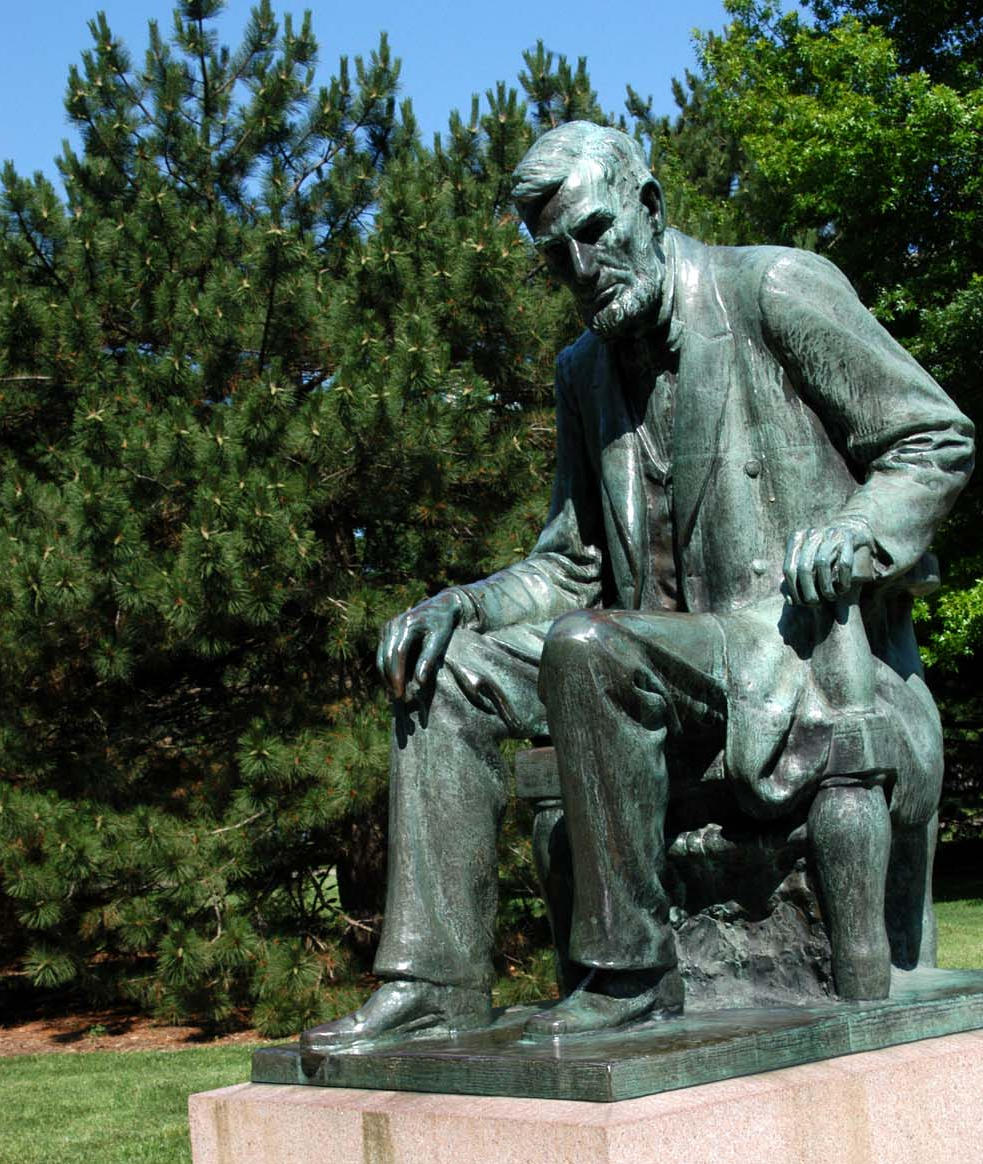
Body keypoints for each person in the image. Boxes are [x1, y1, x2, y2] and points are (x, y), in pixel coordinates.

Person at [302, 121, 974, 1050]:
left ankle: (629, 976)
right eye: (555, 254)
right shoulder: (583, 372)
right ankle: (434, 983)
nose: (580, 266)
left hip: (780, 646)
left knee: (591, 645)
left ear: (649, 207)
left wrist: (859, 531)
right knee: (447, 665)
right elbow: (572, 563)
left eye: (595, 230)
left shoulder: (772, 289)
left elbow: (934, 438)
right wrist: (467, 604)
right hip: (646, 660)